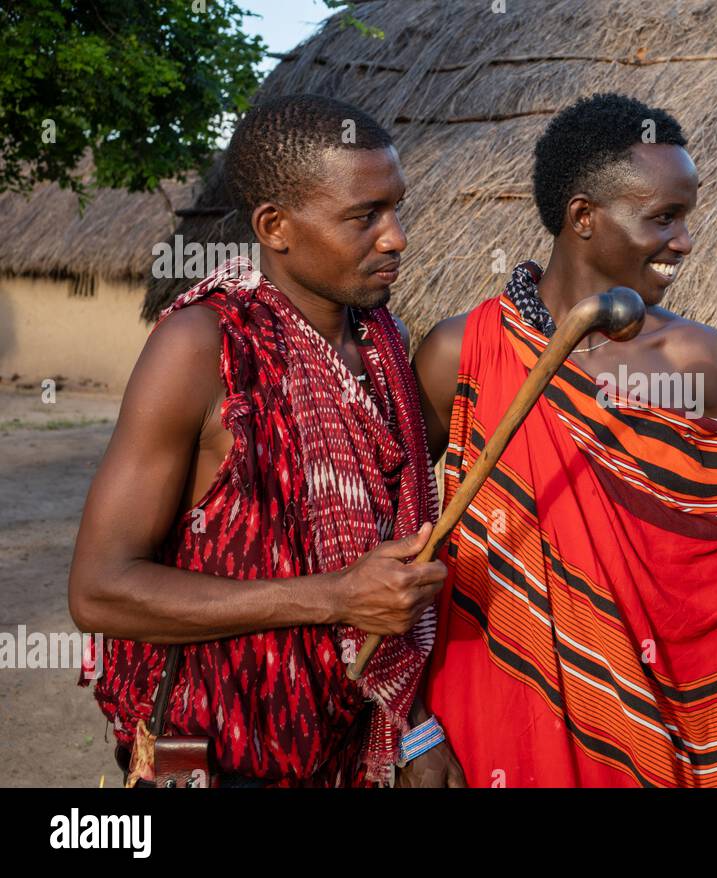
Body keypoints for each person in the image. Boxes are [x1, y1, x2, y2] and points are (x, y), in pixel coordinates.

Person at [68, 94, 450, 787]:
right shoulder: (203, 348)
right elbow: (100, 590)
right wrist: (335, 597)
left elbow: (389, 572)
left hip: (346, 749)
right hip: (221, 756)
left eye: (396, 208)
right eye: (365, 216)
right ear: (275, 226)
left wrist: (414, 726)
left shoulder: (382, 340)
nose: (395, 237)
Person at [413, 93, 717, 787]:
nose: (684, 241)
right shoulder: (462, 351)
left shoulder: (696, 360)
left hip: (649, 718)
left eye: (686, 217)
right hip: (488, 694)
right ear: (583, 217)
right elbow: (387, 529)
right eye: (662, 218)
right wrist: (410, 732)